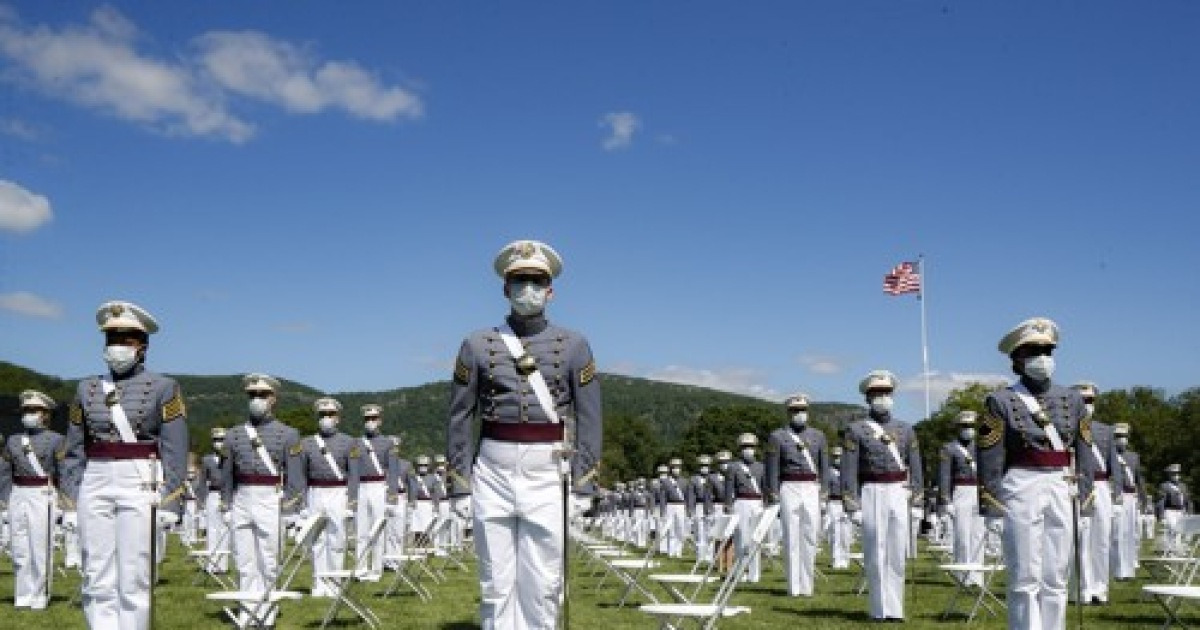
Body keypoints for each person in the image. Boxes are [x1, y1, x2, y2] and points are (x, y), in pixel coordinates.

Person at [446, 239, 603, 629]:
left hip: (548, 470)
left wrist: (584, 482)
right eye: (519, 281)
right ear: (505, 288)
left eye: (536, 281)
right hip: (493, 468)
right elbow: (460, 416)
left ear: (551, 290)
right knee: (495, 582)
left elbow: (590, 417)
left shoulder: (574, 344)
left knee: (542, 581)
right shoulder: (477, 344)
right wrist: (460, 483)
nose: (527, 290)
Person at [61, 300, 189, 630]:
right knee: (95, 571)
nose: (117, 348)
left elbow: (175, 448)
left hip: (140, 476)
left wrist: (172, 498)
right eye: (111, 340)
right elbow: (74, 450)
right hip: (96, 476)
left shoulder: (164, 387)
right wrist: (71, 500)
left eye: (125, 340)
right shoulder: (86, 389)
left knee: (135, 572)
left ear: (142, 347)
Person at [977, 317, 1091, 630]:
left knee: (1057, 573)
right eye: (1033, 351)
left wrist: (1086, 497)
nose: (1042, 358)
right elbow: (990, 456)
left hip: (1062, 482)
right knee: (1024, 574)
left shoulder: (1073, 399)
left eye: (1047, 351)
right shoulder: (1000, 401)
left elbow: (1083, 451)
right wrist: (992, 505)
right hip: (1022, 483)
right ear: (1017, 359)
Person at [221, 373, 302, 626]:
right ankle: (247, 609)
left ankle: (267, 608)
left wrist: (291, 507)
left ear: (273, 399)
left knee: (268, 557)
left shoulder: (288, 434)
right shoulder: (234, 435)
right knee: (244, 559)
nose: (256, 399)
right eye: (252, 395)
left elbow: (295, 476)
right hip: (242, 496)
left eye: (262, 395)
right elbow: (227, 474)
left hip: (270, 497)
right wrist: (226, 503)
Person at [842, 369, 922, 623]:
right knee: (875, 551)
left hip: (899, 490)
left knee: (898, 550)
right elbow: (849, 468)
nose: (882, 398)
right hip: (872, 490)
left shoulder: (906, 429)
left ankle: (895, 610)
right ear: (867, 398)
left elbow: (916, 465)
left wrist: (918, 498)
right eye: (876, 394)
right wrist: (851, 502)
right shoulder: (856, 430)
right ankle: (878, 609)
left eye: (886, 393)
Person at [2, 390, 65, 609]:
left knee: (40, 545)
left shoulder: (57, 440)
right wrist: (4, 498)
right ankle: (23, 593)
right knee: (19, 545)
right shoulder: (13, 440)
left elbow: (64, 472)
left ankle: (40, 593)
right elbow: (4, 471)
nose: (28, 414)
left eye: (33, 410)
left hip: (42, 494)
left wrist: (66, 501)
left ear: (46, 414)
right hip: (18, 493)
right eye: (25, 411)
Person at [765, 392, 829, 597]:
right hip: (789, 486)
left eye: (802, 410)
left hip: (811, 486)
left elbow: (824, 468)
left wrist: (824, 493)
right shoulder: (777, 437)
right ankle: (793, 586)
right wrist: (773, 495)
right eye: (795, 410)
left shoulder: (818, 436)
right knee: (791, 536)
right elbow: (771, 469)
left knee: (811, 535)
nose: (799, 414)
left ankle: (807, 585)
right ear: (788, 412)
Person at [292, 397, 356, 597]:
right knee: (317, 539)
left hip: (338, 493)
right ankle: (319, 584)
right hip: (315, 493)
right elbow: (300, 474)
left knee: (337, 539)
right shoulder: (306, 443)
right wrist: (301, 500)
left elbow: (354, 473)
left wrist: (352, 499)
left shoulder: (349, 442)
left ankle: (335, 583)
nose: (326, 418)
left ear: (338, 418)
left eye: (330, 414)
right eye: (322, 415)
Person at [1072, 381, 1115, 605]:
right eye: (1083, 400)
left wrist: (1115, 495)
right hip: (1078, 486)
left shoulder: (1106, 430)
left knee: (1101, 539)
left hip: (1101, 486)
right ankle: (1082, 589)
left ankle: (1100, 588)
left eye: (1090, 400)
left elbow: (1113, 465)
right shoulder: (1067, 428)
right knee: (1081, 540)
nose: (1087, 404)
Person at [937, 411, 984, 587]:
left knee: (978, 536)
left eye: (971, 426)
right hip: (960, 492)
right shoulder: (949, 448)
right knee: (962, 536)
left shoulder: (980, 447)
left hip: (978, 491)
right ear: (958, 428)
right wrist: (945, 500)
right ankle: (962, 574)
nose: (968, 430)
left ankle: (977, 576)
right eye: (965, 426)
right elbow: (944, 476)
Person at [350, 404, 391, 581]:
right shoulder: (356, 443)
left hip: (378, 487)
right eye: (367, 419)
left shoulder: (388, 443)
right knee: (361, 529)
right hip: (361, 487)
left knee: (377, 528)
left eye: (373, 418)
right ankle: (360, 568)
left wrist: (393, 492)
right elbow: (352, 470)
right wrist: (351, 494)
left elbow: (393, 469)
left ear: (380, 421)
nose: (370, 422)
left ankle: (376, 569)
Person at [726, 432, 767, 583]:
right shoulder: (733, 467)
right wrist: (728, 505)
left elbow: (765, 488)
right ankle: (740, 572)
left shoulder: (761, 467)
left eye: (750, 446)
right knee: (740, 539)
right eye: (744, 447)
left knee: (756, 539)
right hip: (741, 502)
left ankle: (754, 574)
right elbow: (729, 488)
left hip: (757, 503)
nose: (748, 449)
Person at [1110, 423, 1144, 580]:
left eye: (1124, 436)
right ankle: (1116, 569)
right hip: (1116, 496)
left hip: (1131, 498)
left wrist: (1143, 498)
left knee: (1130, 533)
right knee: (1117, 534)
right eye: (1118, 437)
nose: (1122, 440)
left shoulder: (1134, 456)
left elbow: (1139, 479)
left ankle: (1129, 569)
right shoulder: (1108, 454)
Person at [198, 427, 230, 574]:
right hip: (213, 494)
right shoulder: (206, 460)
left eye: (222, 439)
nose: (219, 443)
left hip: (227, 496)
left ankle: (222, 565)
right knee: (212, 529)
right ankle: (211, 563)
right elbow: (203, 481)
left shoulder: (231, 459)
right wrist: (202, 500)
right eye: (216, 440)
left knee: (224, 530)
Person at [826, 445, 852, 570]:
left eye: (840, 456)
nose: (837, 458)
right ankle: (836, 559)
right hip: (833, 502)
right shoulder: (828, 471)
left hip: (846, 503)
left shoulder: (849, 472)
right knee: (834, 532)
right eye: (835, 456)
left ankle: (845, 559)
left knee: (846, 533)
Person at [1156, 463, 1192, 555]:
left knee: (1180, 531)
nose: (1176, 476)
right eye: (1173, 474)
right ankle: (1170, 549)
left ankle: (1178, 549)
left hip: (1181, 511)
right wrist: (1161, 515)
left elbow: (1187, 500)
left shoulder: (1183, 486)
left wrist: (1189, 512)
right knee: (1172, 528)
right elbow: (1161, 501)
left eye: (1177, 473)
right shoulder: (1164, 486)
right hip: (1170, 510)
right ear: (1169, 475)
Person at [687, 455, 715, 562]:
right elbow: (690, 495)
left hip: (711, 506)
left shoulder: (713, 478)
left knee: (710, 532)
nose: (705, 468)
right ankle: (700, 556)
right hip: (699, 505)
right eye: (702, 466)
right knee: (699, 532)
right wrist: (690, 509)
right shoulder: (694, 479)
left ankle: (709, 556)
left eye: (707, 466)